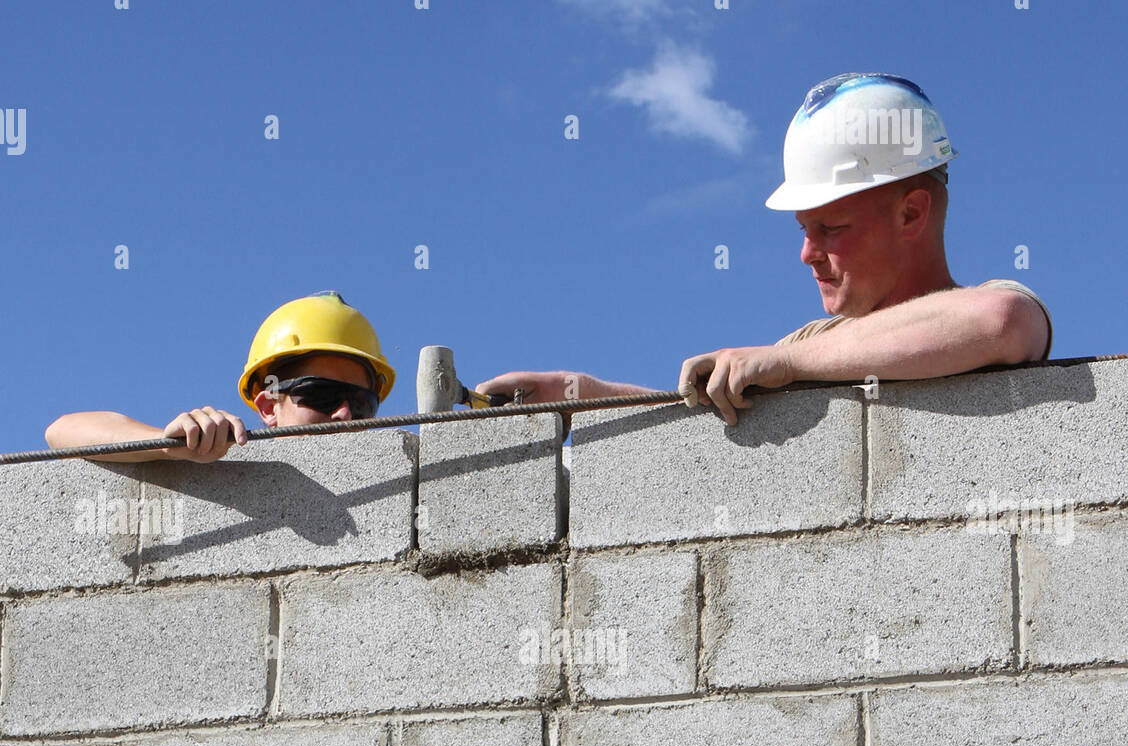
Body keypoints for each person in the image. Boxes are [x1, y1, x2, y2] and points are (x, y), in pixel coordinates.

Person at [475, 73, 1053, 427]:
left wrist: (788, 364)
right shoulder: (813, 346)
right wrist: (580, 396)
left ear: (910, 213)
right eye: (803, 229)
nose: (806, 254)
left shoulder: (987, 306)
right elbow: (703, 428)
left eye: (829, 227)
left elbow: (1000, 321)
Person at [44, 291, 395, 462]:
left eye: (363, 403)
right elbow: (60, 432)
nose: (345, 414)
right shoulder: (229, 461)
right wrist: (169, 446)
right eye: (321, 394)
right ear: (269, 406)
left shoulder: (393, 479)